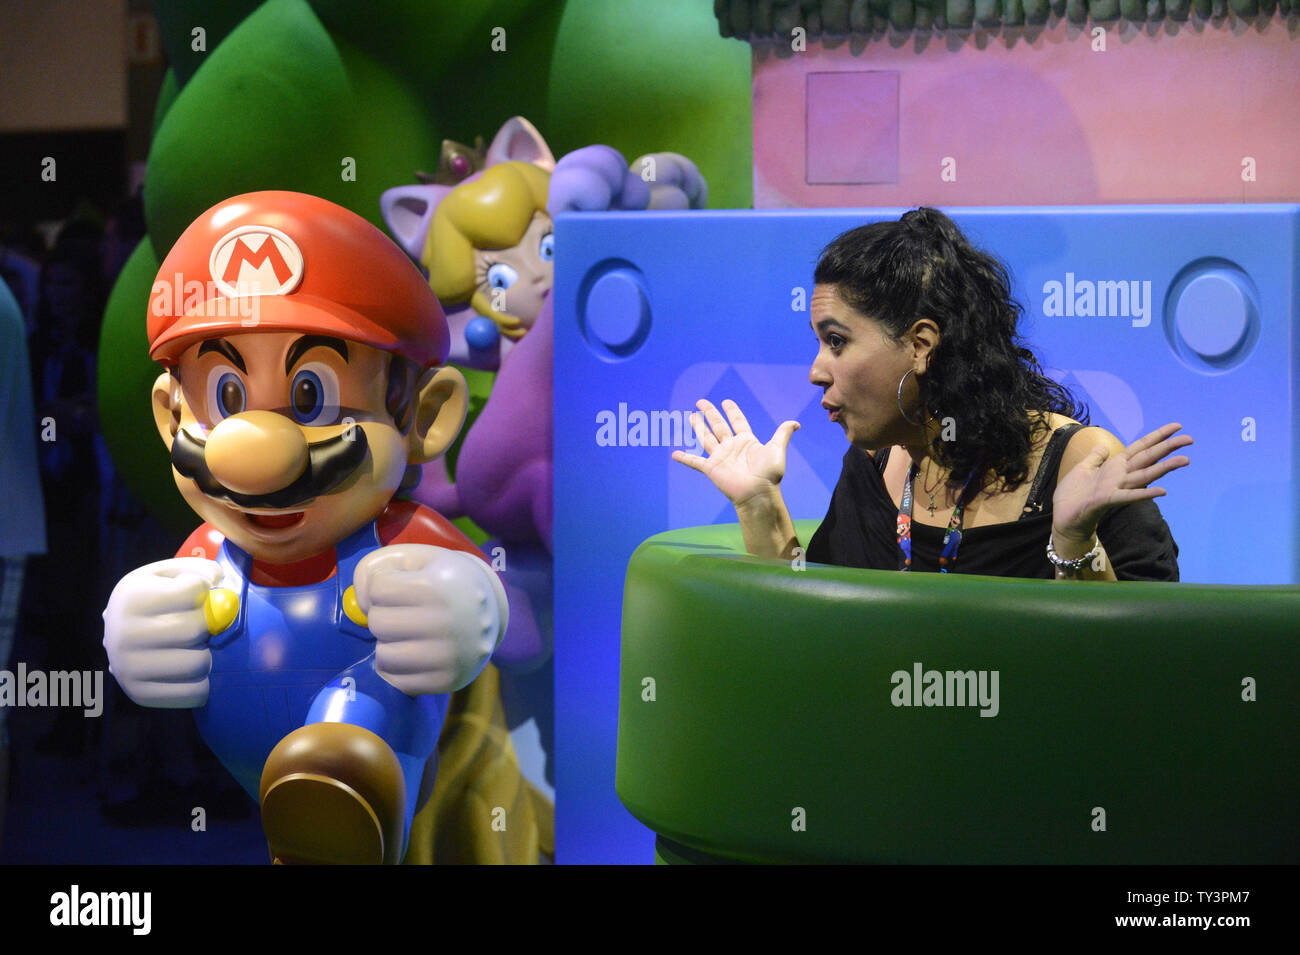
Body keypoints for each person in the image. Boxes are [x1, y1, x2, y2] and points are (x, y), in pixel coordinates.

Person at [674, 207, 1189, 581]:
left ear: (920, 346)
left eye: (837, 341)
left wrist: (1074, 542)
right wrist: (760, 502)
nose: (815, 372)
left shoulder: (1082, 464)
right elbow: (811, 634)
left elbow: (1133, 668)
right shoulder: (871, 468)